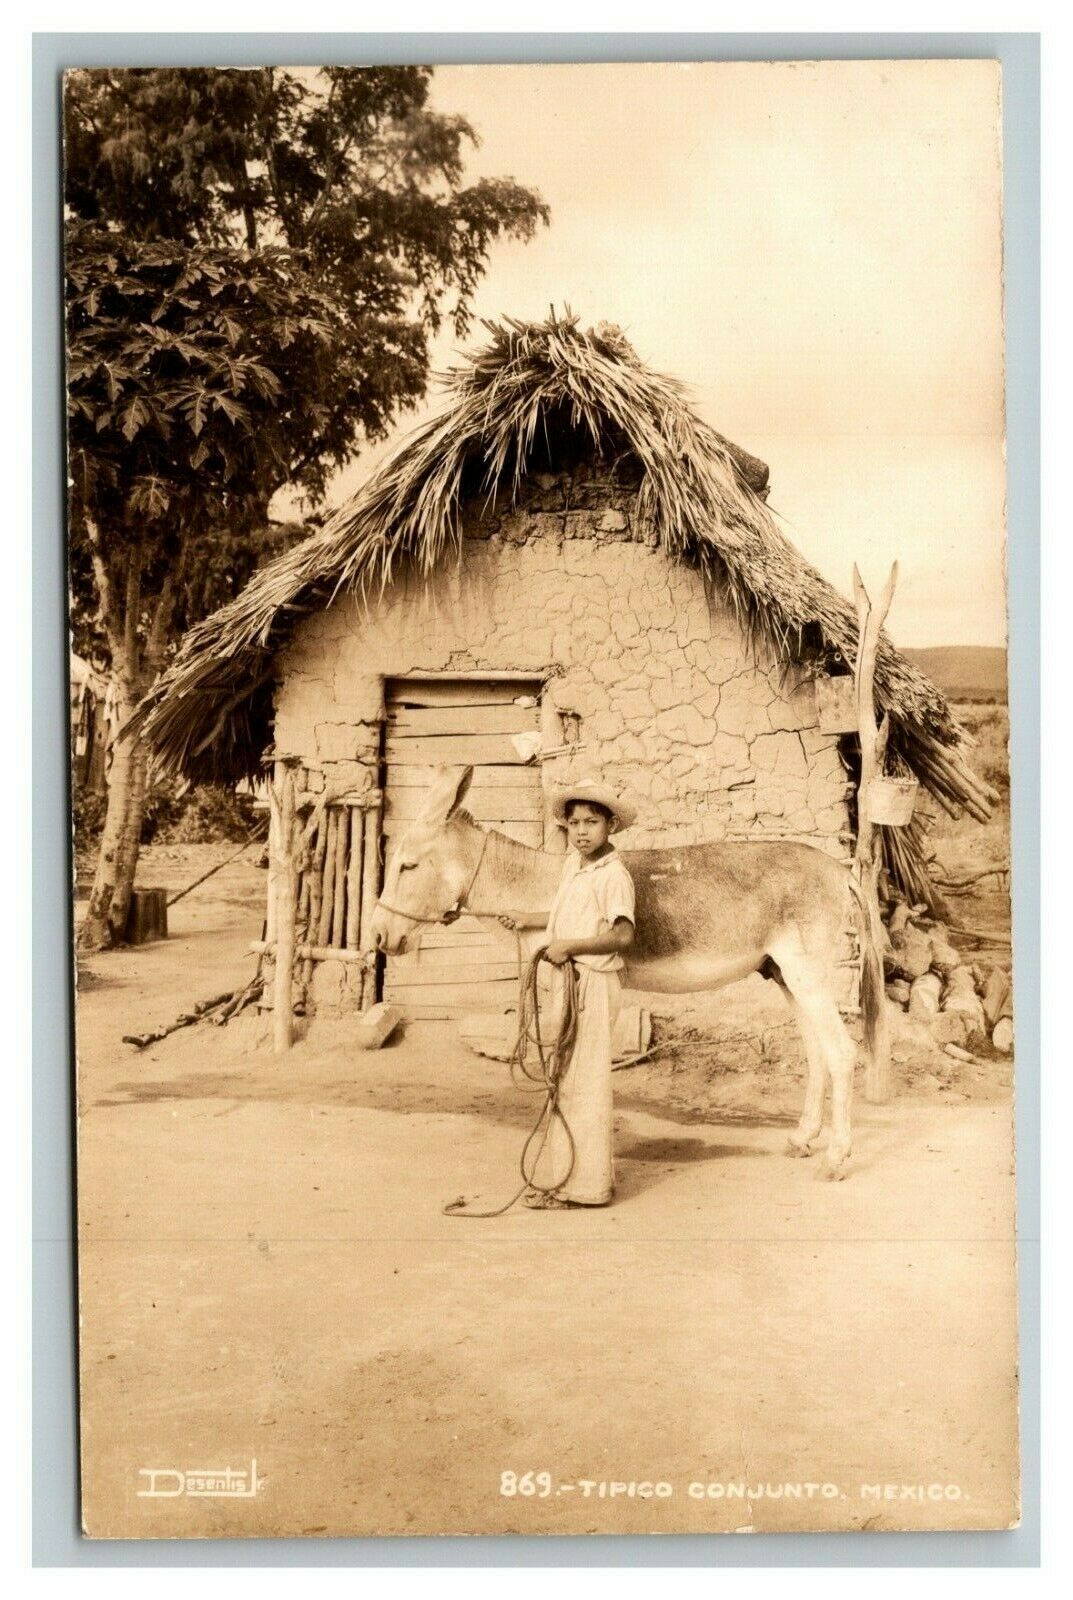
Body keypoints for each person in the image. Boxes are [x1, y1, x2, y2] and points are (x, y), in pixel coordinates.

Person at [502, 776, 637, 1209]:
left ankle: (586, 1188)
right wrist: (530, 918)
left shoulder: (614, 876)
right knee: (564, 1082)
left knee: (586, 1084)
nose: (581, 831)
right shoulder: (574, 867)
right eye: (574, 823)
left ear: (610, 825)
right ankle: (564, 1180)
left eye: (591, 822)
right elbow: (568, 913)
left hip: (593, 984)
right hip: (570, 980)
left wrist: (570, 947)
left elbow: (622, 935)